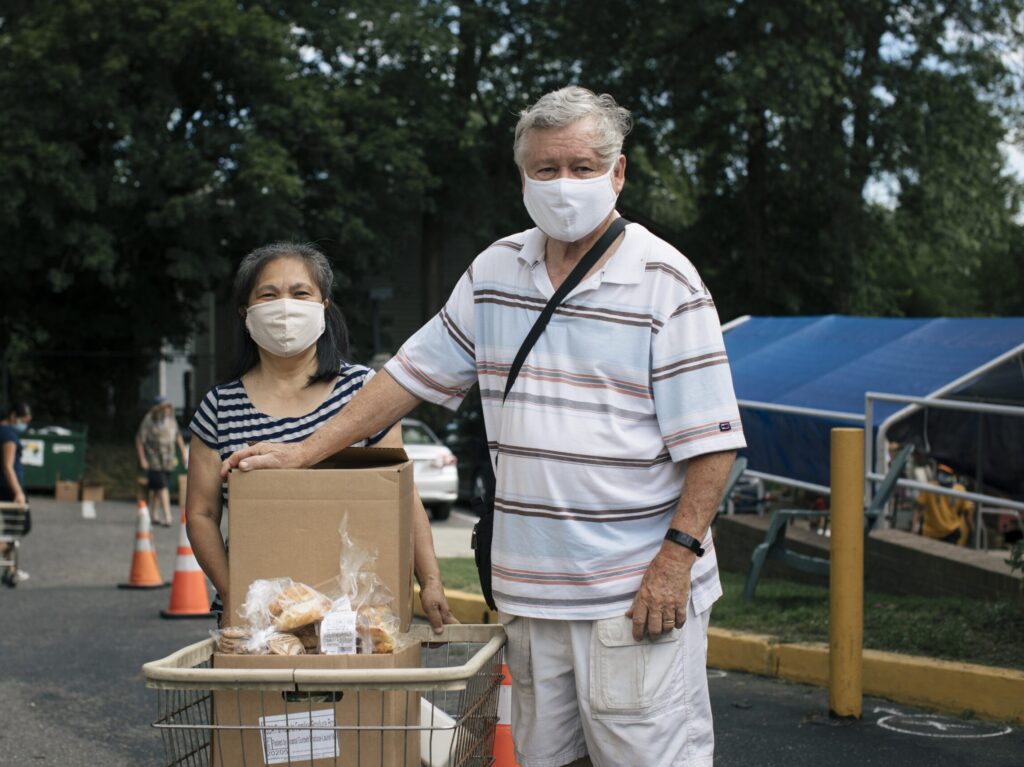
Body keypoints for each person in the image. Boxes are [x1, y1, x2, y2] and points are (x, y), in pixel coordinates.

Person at [223, 87, 746, 767]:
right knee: (546, 757)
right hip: (530, 596)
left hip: (631, 593)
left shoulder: (666, 281)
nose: (565, 184)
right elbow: (406, 377)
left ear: (618, 173)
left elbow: (713, 442)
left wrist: (675, 562)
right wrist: (305, 451)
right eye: (546, 168)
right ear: (522, 176)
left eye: (584, 167)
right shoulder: (497, 270)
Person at [186, 242, 456, 631]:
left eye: (300, 293)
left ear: (324, 306)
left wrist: (430, 581)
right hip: (258, 618)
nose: (285, 307)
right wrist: (234, 595)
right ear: (246, 312)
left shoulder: (364, 392)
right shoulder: (219, 407)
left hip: (360, 614)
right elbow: (202, 514)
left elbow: (403, 495)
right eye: (268, 295)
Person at [135, 396, 188, 527]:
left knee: (157, 488)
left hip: (168, 459)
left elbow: (178, 436)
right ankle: (168, 515)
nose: (167, 410)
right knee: (162, 486)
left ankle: (154, 514)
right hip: (154, 459)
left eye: (168, 407)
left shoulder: (171, 420)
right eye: (164, 407)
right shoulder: (149, 420)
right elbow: (139, 440)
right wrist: (142, 459)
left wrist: (183, 453)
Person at [1, 401, 32, 586]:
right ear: (13, 416)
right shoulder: (9, 435)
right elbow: (8, 466)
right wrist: (18, 492)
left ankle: (10, 569)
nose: (25, 424)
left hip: (4, 487)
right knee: (22, 526)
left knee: (11, 529)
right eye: (24, 420)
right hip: (10, 488)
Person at [914, 463, 975, 546]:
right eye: (942, 472)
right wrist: (914, 529)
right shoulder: (929, 487)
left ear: (953, 476)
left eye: (946, 473)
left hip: (950, 533)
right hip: (930, 533)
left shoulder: (960, 490)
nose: (943, 475)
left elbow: (967, 513)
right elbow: (917, 509)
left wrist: (972, 531)